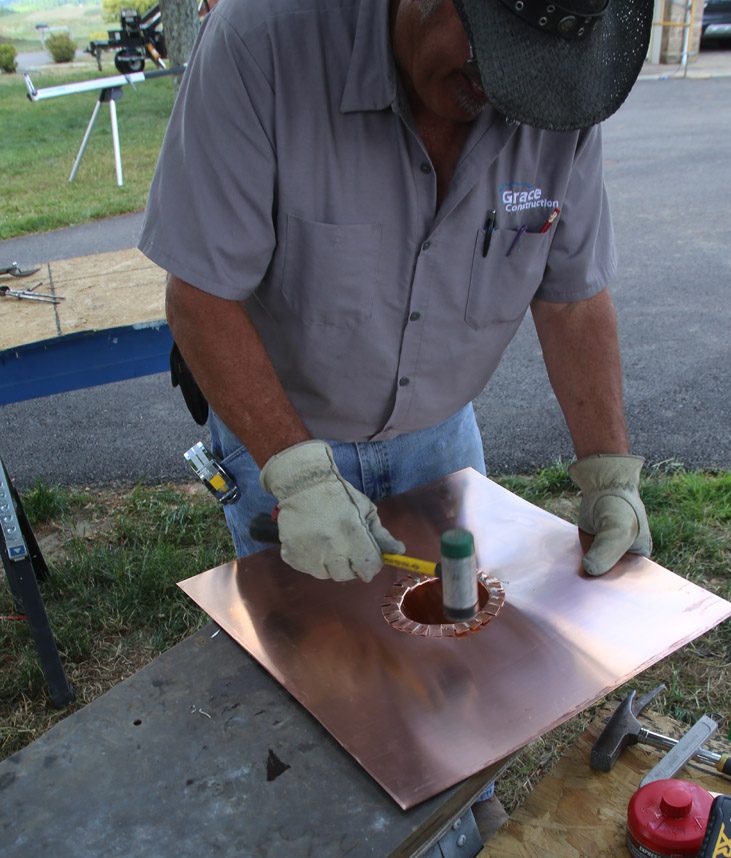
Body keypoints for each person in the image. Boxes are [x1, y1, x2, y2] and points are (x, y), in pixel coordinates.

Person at [140, 0, 655, 832]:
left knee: (463, 651)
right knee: (325, 686)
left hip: (440, 434)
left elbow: (572, 297)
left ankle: (465, 797)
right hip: (284, 439)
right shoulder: (264, 42)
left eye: (524, 82)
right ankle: (358, 830)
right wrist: (298, 475)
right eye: (488, 63)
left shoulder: (554, 96)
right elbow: (199, 295)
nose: (497, 96)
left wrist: (608, 473)